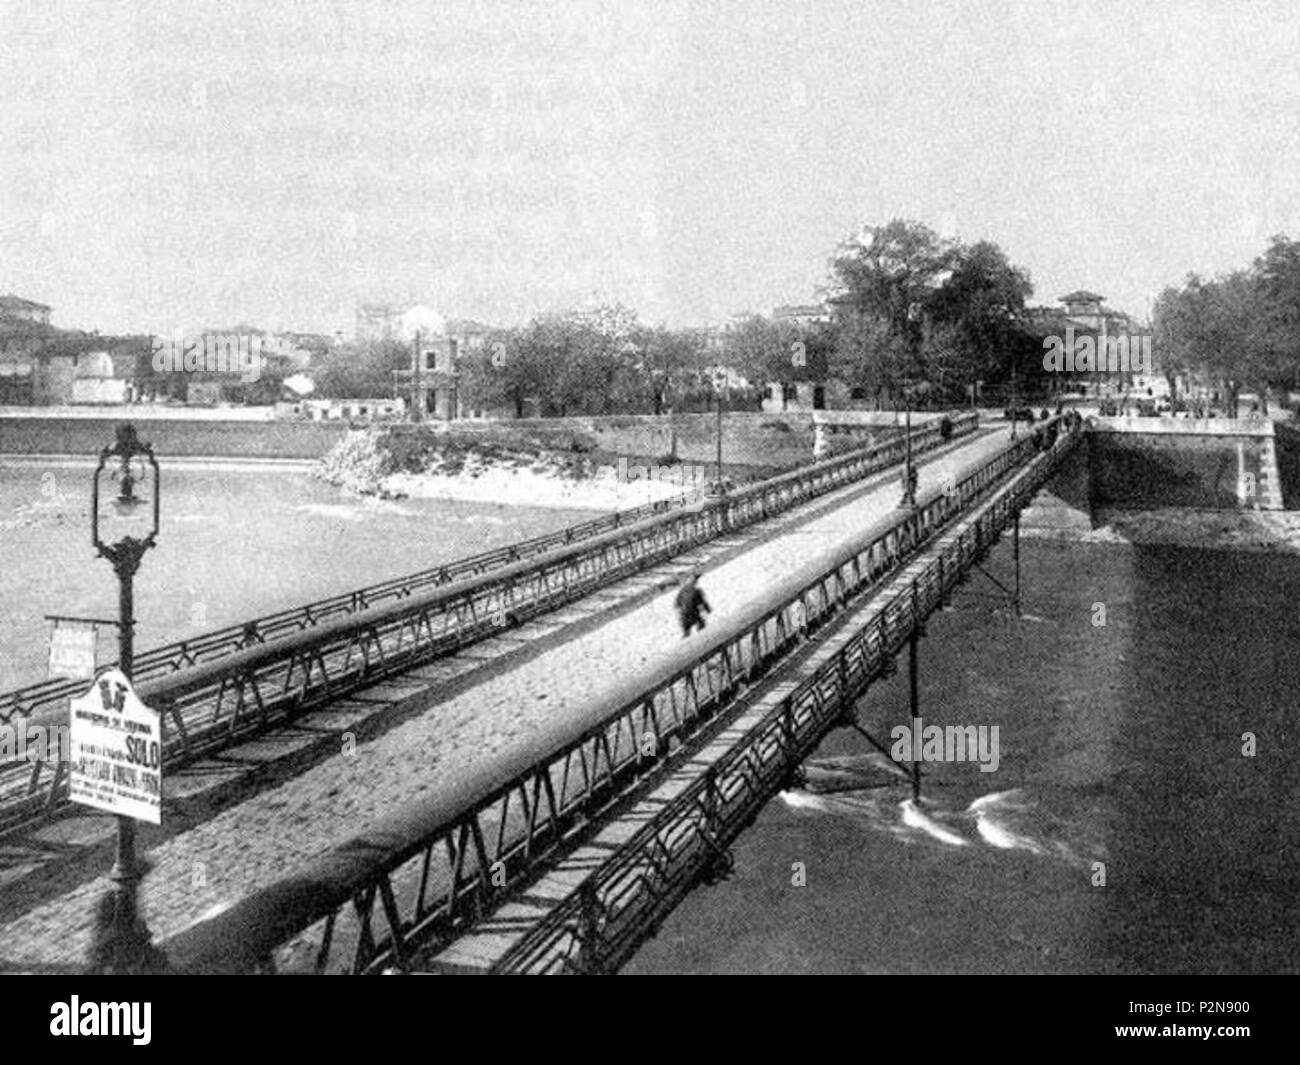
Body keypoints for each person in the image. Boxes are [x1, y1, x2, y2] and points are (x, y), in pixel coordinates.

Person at [675, 569, 712, 638]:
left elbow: (677, 605)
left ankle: (685, 641)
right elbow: (702, 603)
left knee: (686, 632)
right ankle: (702, 638)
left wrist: (680, 616)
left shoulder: (682, 591)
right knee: (701, 624)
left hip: (684, 616)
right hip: (693, 614)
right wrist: (708, 610)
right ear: (695, 582)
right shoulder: (697, 591)